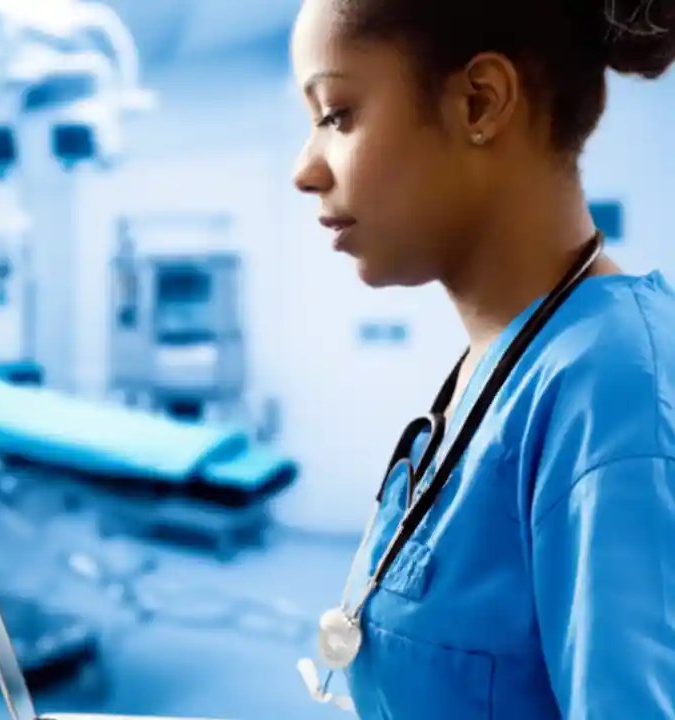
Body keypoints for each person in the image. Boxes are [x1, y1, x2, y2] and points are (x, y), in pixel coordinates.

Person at [289, 0, 675, 717]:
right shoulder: (508, 363)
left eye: (337, 115)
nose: (304, 170)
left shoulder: (614, 391)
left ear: (480, 102)